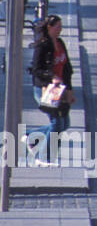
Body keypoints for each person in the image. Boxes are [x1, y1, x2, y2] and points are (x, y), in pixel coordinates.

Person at [27, 14, 75, 166]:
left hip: (60, 89)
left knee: (64, 123)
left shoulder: (60, 43)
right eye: (58, 27)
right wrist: (51, 77)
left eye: (61, 27)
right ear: (49, 27)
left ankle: (31, 137)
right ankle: (44, 157)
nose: (60, 30)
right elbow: (36, 69)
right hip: (45, 88)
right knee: (56, 123)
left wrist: (70, 90)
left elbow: (67, 68)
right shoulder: (42, 45)